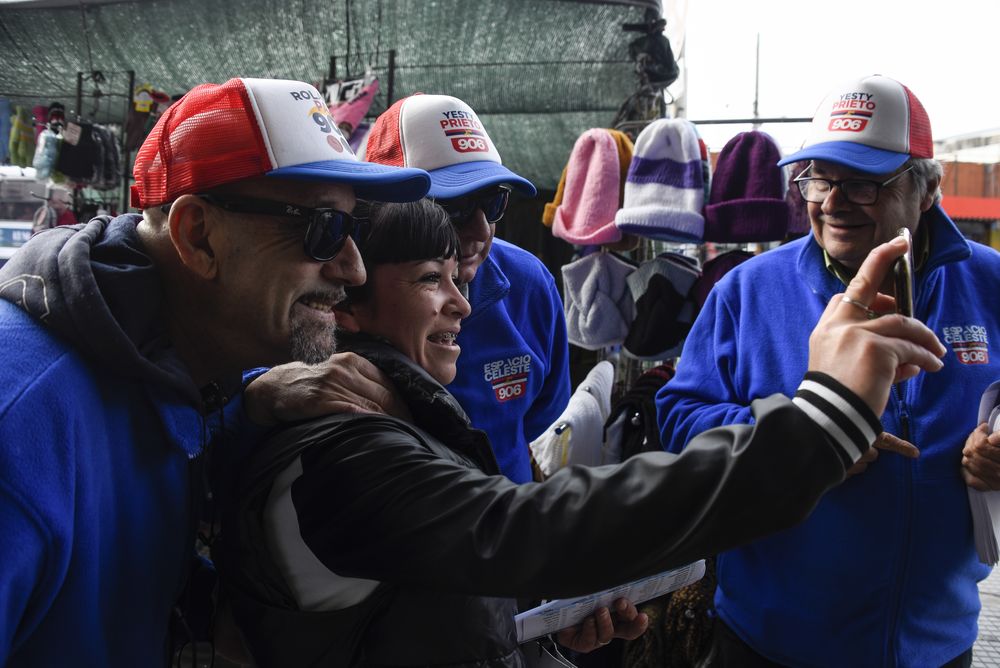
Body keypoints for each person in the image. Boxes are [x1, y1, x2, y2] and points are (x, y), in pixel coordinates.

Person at [219, 195, 948, 667]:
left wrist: (532, 629)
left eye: (459, 279)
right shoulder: (346, 446)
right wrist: (819, 422)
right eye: (429, 281)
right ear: (346, 306)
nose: (462, 308)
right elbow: (520, 530)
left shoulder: (394, 417)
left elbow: (426, 603)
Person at [0, 77, 431, 667]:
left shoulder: (197, 371)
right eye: (325, 229)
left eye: (354, 230)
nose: (354, 269)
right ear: (197, 236)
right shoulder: (20, 421)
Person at [655, 74, 1000, 667]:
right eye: (817, 178)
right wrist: (801, 437)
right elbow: (681, 419)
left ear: (929, 189)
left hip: (937, 647)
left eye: (863, 184)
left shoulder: (990, 282)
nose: (832, 203)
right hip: (768, 643)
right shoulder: (748, 290)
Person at [364, 93, 571, 483]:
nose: (481, 230)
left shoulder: (529, 283)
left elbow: (540, 412)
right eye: (454, 207)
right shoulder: (339, 285)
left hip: (508, 520)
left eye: (494, 203)